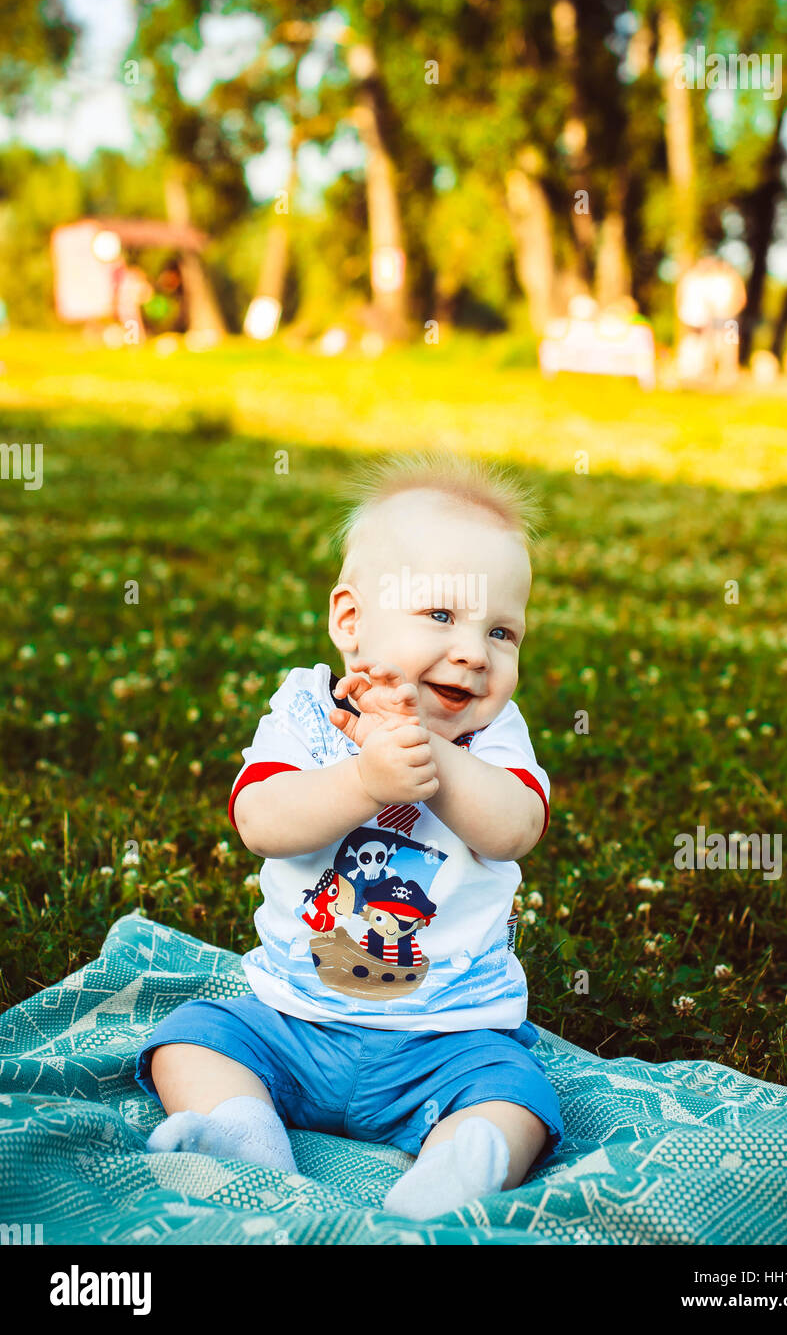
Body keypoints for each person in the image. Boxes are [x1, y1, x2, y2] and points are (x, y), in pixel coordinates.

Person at [135, 452, 564, 1221]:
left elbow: (516, 828)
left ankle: (462, 1162)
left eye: (503, 631)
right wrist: (363, 781)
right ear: (350, 622)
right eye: (442, 616)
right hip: (293, 1020)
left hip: (448, 1040)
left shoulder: (492, 730)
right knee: (189, 1038)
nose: (474, 652)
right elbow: (260, 820)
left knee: (521, 1095)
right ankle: (244, 1135)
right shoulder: (304, 708)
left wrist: (433, 754)